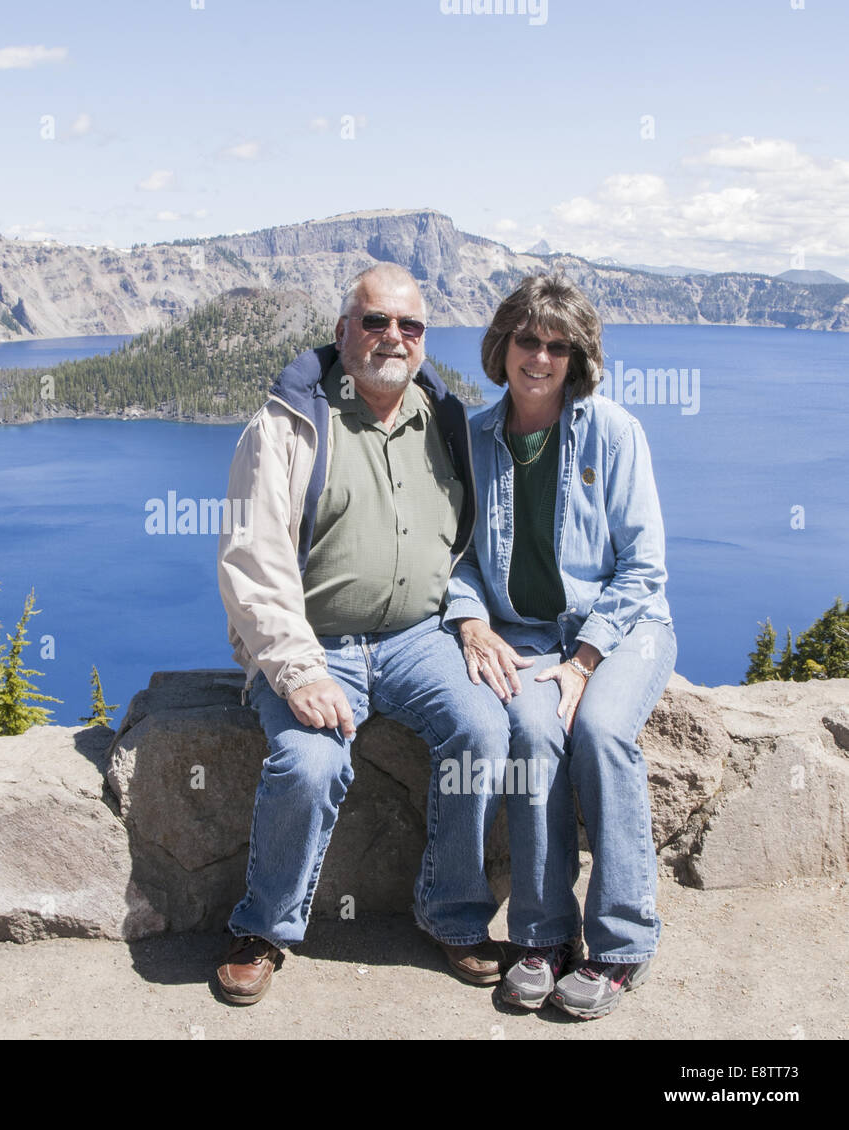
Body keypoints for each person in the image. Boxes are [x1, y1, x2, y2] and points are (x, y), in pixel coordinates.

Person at [214, 262, 513, 1005]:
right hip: (318, 645)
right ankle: (264, 928)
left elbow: (466, 543)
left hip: (418, 639)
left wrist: (470, 618)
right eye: (375, 321)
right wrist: (297, 670)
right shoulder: (286, 427)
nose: (392, 338)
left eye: (409, 326)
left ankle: (451, 914)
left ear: (423, 339)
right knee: (309, 766)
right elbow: (253, 561)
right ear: (343, 330)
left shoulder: (443, 423)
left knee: (482, 728)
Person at [443, 273, 675, 1020]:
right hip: (528, 636)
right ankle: (541, 938)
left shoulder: (613, 432)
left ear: (577, 358)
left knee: (603, 732)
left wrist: (585, 662)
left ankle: (621, 943)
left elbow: (643, 567)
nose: (540, 357)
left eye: (558, 345)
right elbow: (457, 559)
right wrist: (472, 620)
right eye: (528, 340)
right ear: (503, 345)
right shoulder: (475, 440)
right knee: (531, 731)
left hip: (626, 628)